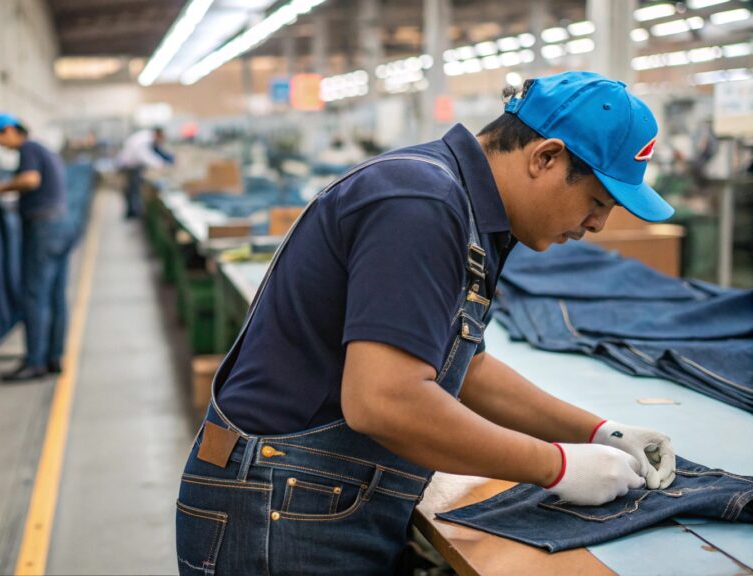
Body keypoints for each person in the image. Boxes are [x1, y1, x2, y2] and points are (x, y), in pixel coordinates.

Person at [175, 71, 678, 574]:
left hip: (307, 497)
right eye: (597, 202)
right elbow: (384, 402)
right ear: (545, 157)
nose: (597, 225)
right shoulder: (422, 204)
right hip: (277, 511)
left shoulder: (466, 208)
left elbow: (468, 369)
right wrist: (556, 466)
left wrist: (598, 432)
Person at [0, 113, 74, 382]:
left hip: (43, 228)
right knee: (56, 296)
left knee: (35, 295)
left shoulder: (29, 149)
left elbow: (30, 180)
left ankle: (35, 362)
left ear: (9, 130)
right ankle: (53, 358)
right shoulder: (43, 149)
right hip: (61, 224)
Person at [117, 127, 173, 218]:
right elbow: (145, 155)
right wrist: (159, 164)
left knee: (132, 190)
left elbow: (155, 152)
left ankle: (133, 211)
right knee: (133, 190)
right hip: (130, 166)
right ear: (158, 135)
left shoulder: (146, 137)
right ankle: (133, 212)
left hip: (132, 165)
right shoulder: (144, 141)